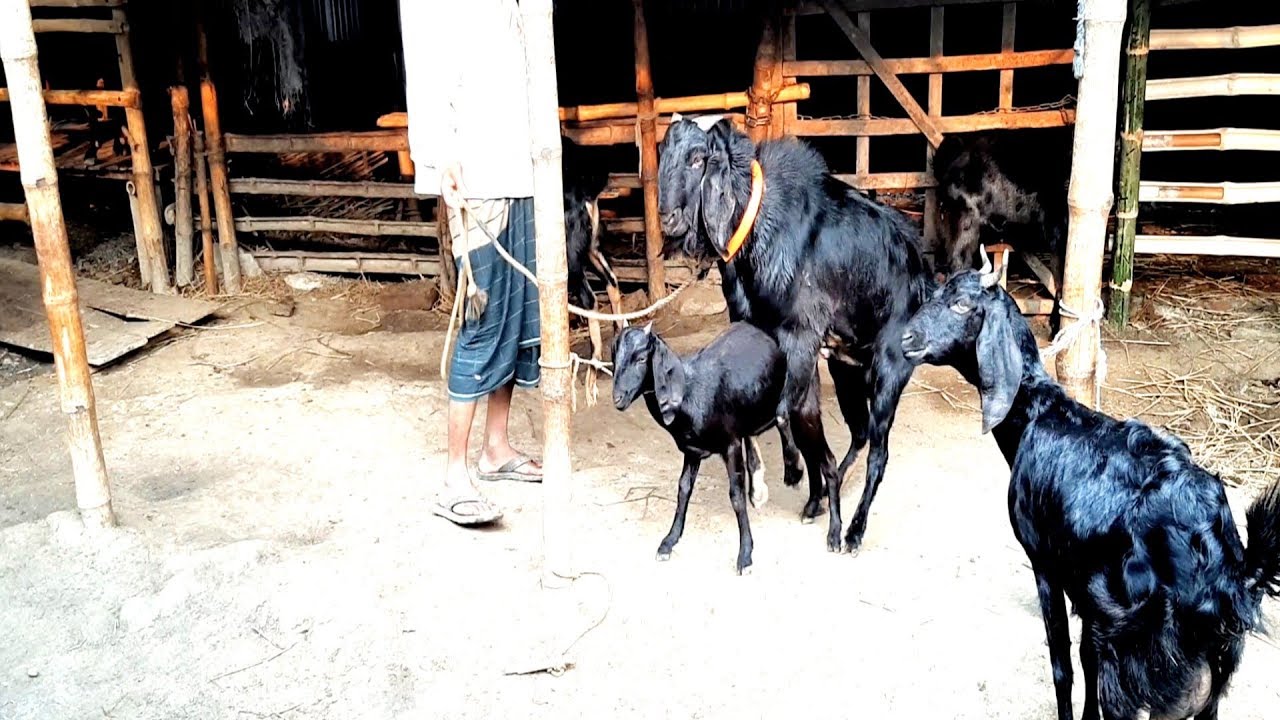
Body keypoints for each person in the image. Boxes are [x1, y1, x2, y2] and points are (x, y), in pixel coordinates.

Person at [399, 0, 543, 527]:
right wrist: (439, 156)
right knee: (483, 324)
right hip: (478, 177)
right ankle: (453, 478)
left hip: (523, 173)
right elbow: (425, 68)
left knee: (517, 324)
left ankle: (495, 449)